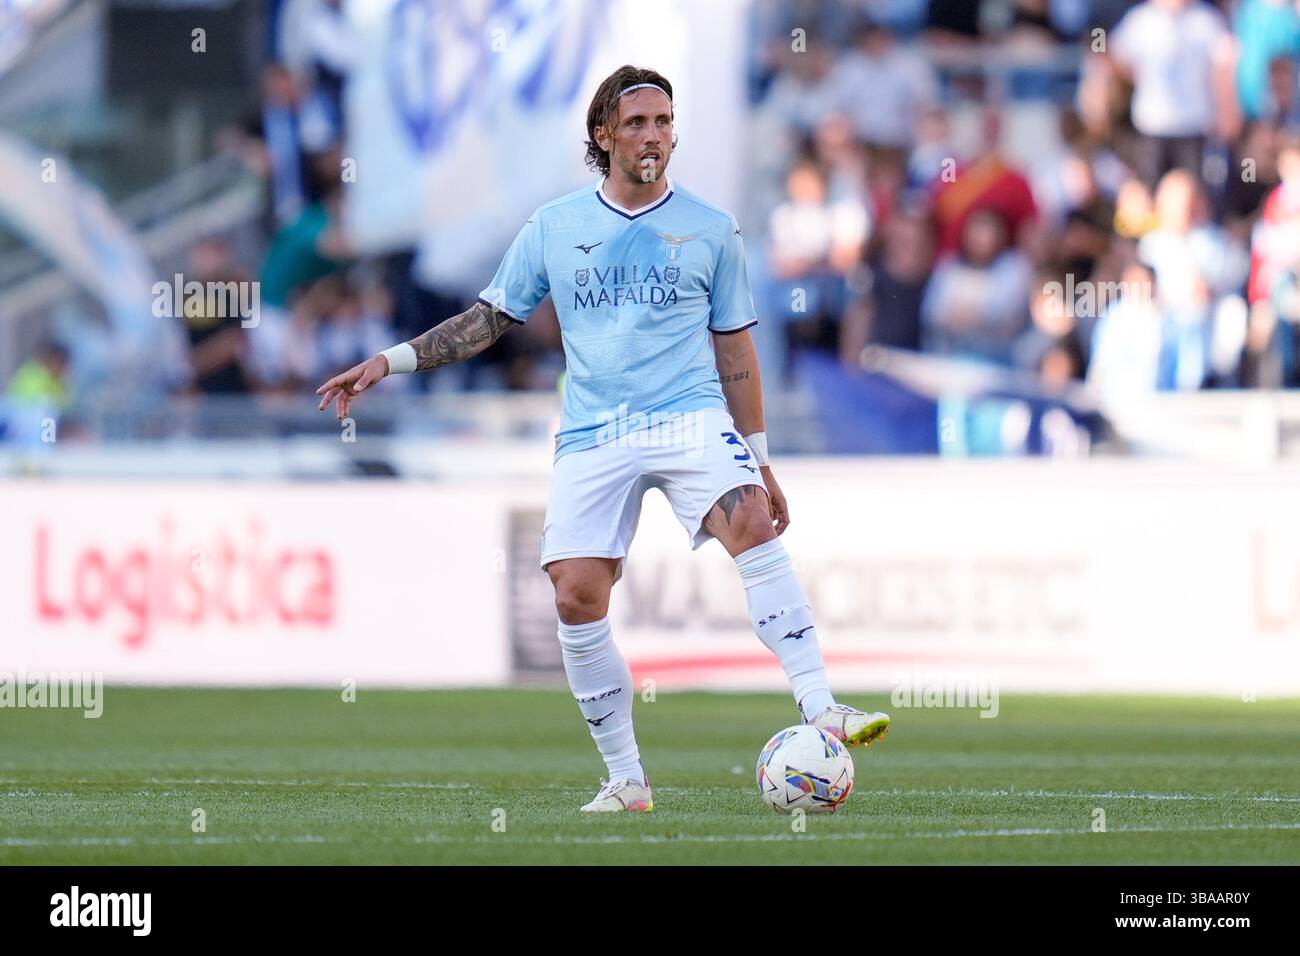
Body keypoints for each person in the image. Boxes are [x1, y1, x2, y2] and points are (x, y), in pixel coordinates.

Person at [316, 65, 890, 814]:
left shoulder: (712, 228)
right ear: (604, 136)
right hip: (595, 428)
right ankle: (627, 780)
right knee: (576, 595)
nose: (655, 135)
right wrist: (388, 363)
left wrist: (761, 454)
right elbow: (487, 321)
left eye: (664, 122)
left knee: (750, 517)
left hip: (688, 416)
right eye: (639, 123)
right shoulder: (554, 226)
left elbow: (737, 350)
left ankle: (821, 704)